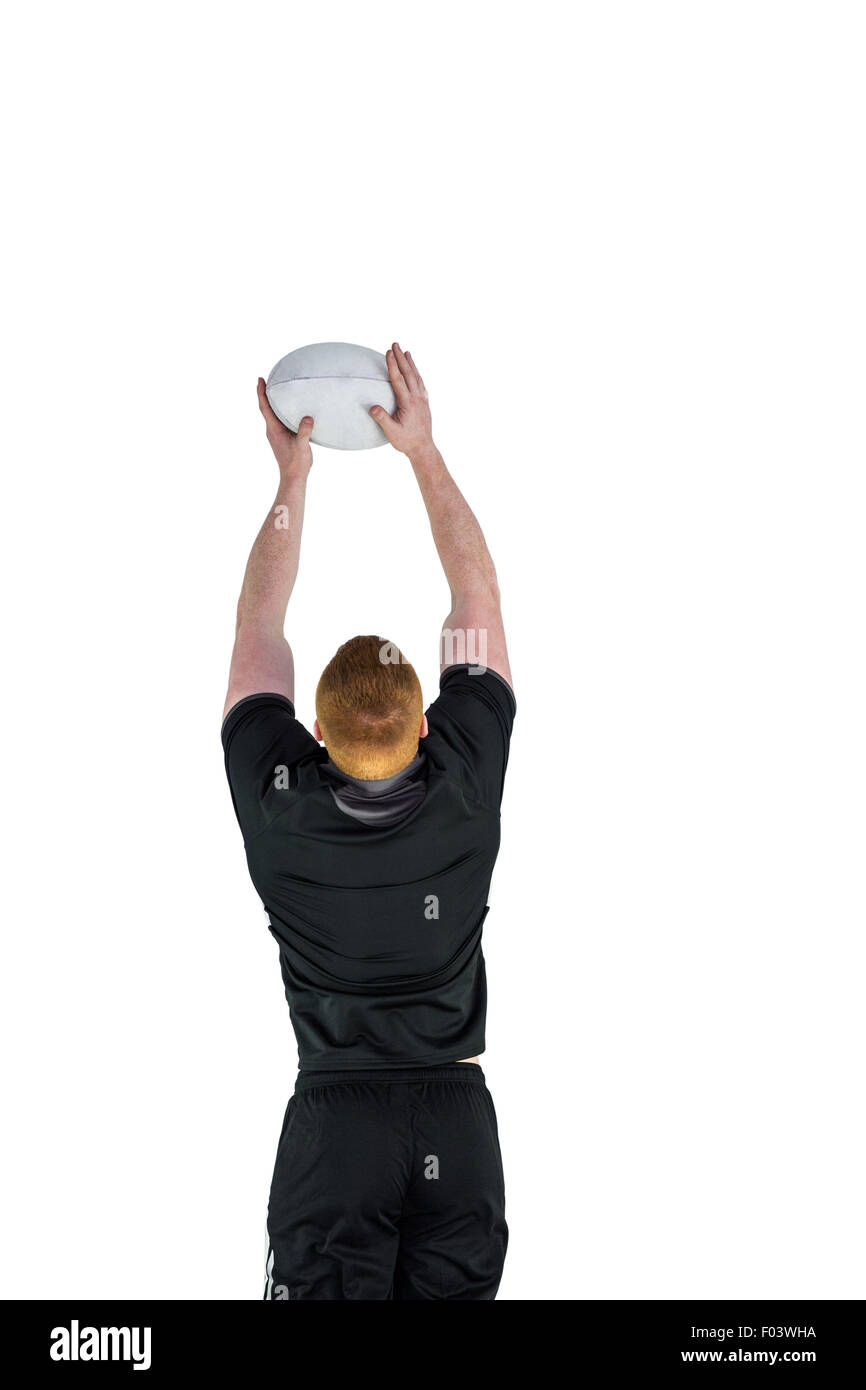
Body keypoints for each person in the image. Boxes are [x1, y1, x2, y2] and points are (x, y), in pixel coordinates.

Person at [222, 343, 516, 1300]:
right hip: (455, 1126)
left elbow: (258, 633)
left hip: (336, 1127)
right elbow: (476, 595)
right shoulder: (465, 772)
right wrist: (423, 454)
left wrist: (291, 476)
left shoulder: (279, 805)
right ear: (426, 722)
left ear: (313, 731)